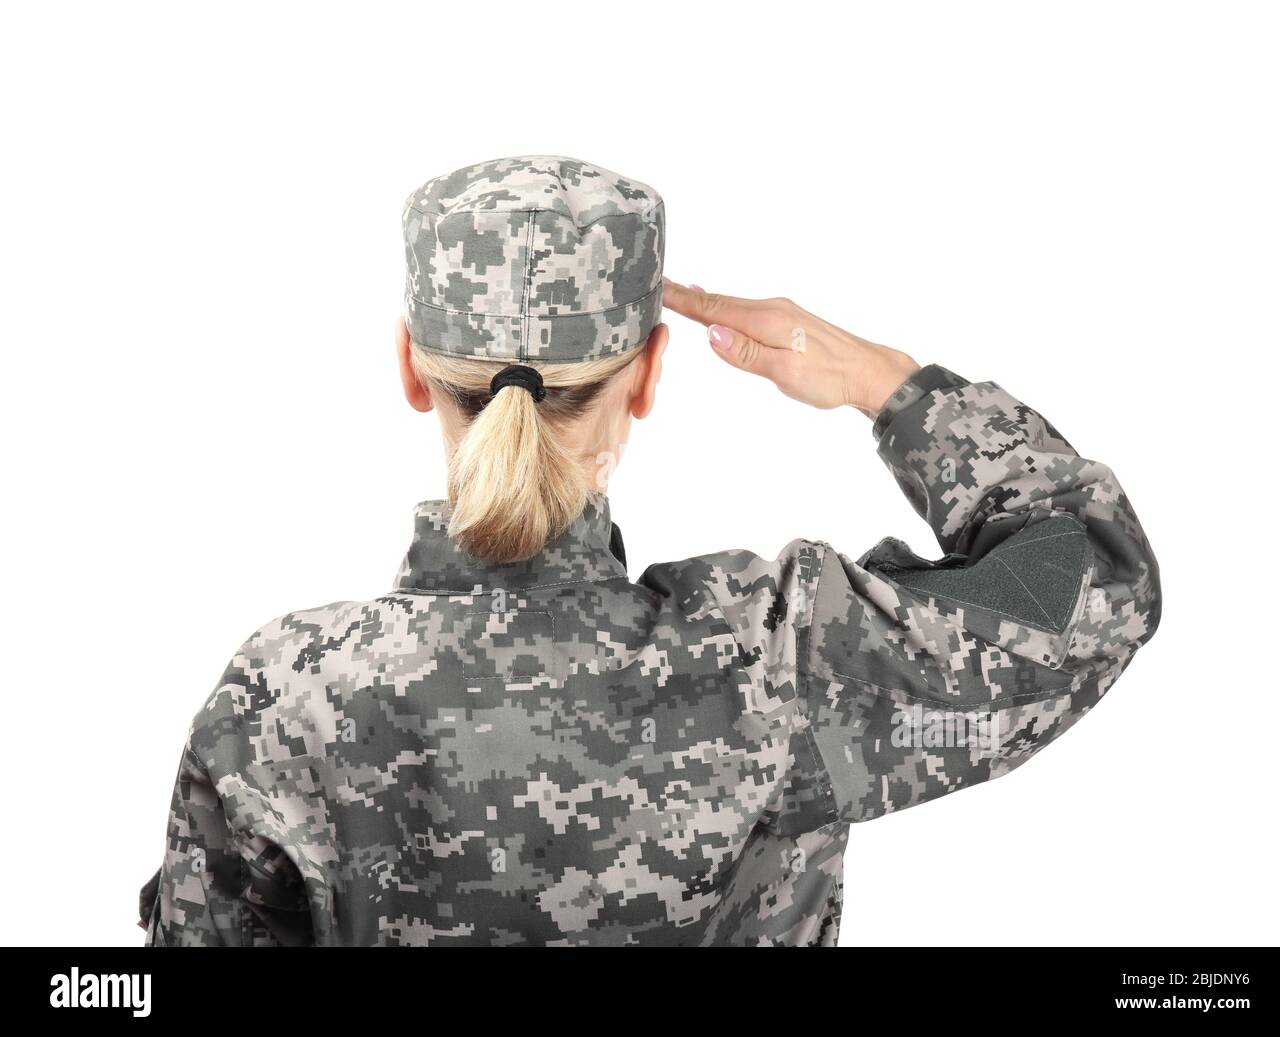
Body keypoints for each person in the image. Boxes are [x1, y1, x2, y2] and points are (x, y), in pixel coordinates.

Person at [139, 155, 1160, 947]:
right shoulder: (775, 662)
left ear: (411, 367)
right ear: (649, 373)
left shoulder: (282, 696)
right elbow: (1093, 583)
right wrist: (887, 385)